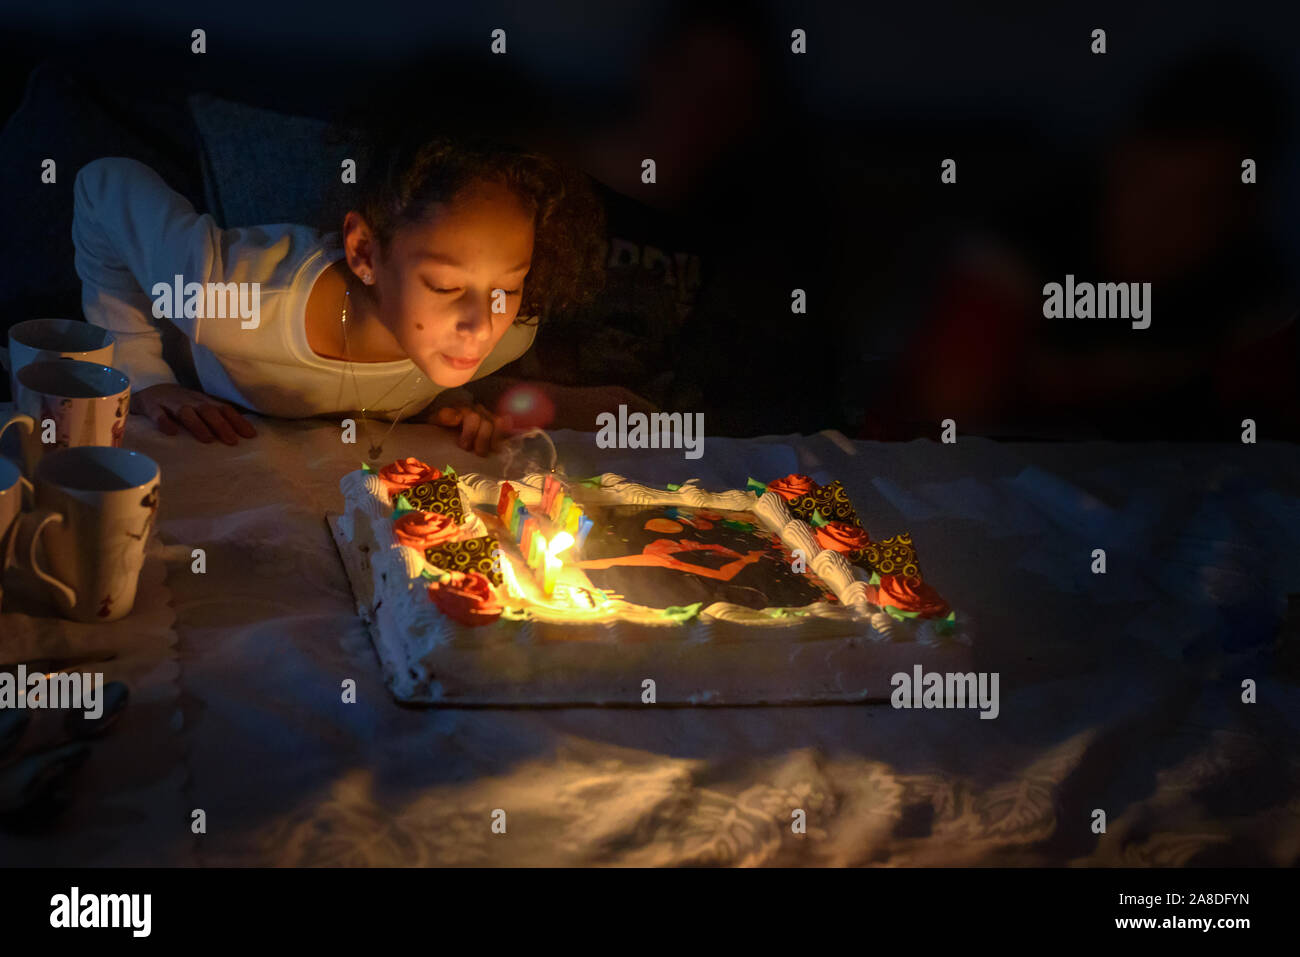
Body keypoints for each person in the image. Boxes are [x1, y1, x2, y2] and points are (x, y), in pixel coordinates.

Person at [71, 130, 608, 456]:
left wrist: (441, 401)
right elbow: (102, 186)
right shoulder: (225, 298)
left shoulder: (510, 335)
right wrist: (142, 374)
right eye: (444, 286)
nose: (482, 325)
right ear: (365, 253)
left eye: (508, 287)